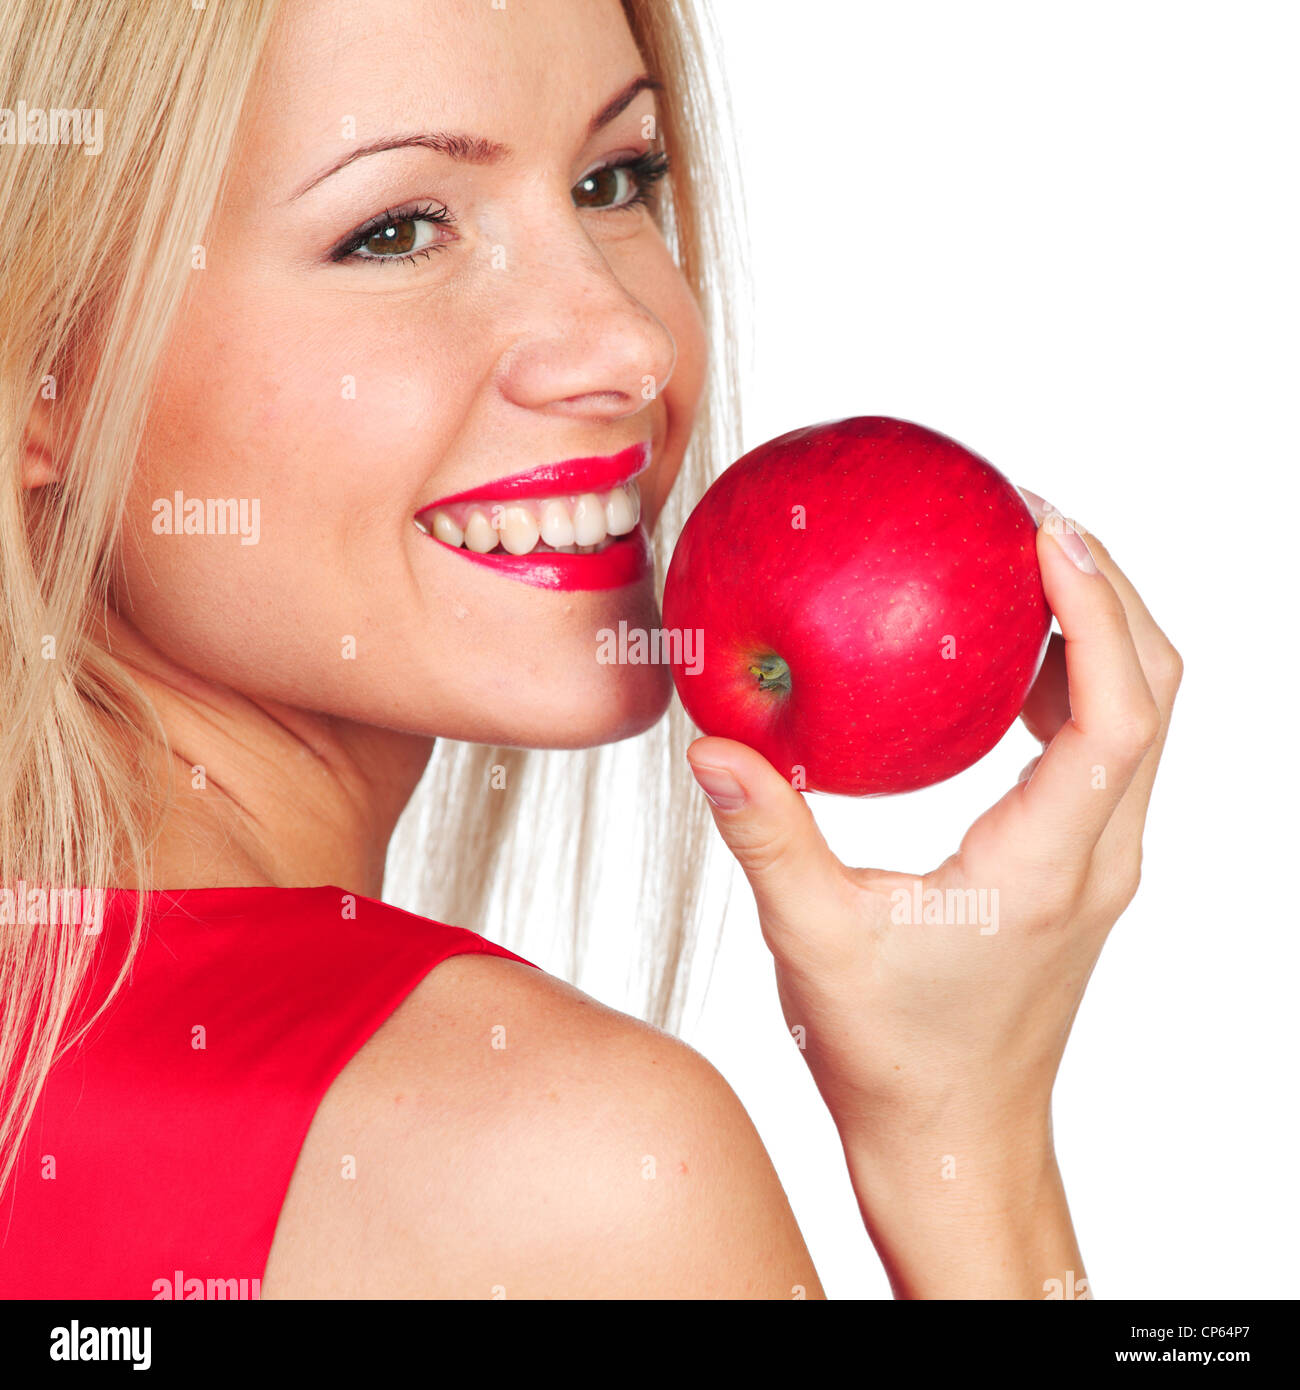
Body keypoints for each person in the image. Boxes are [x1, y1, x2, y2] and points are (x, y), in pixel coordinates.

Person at [0, 0, 1181, 1299]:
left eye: (615, 178)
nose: (630, 344)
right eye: (394, 230)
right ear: (36, 368)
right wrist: (971, 1153)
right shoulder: (577, 1170)